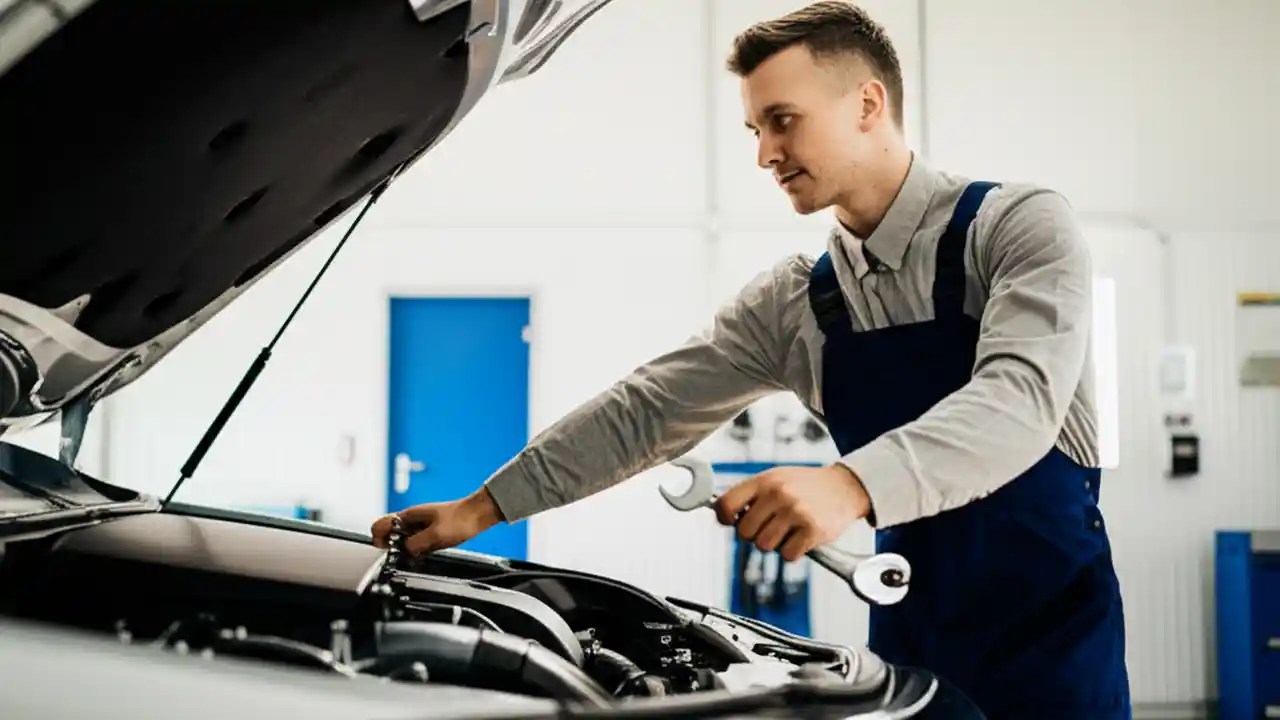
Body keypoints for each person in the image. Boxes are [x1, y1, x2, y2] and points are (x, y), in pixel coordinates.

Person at [371, 2, 1131, 717]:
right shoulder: (799, 301)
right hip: (913, 637)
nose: (766, 153)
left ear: (868, 105)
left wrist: (849, 485)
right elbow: (647, 411)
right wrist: (483, 507)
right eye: (754, 130)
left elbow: (1018, 403)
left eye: (783, 122)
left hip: (1057, 642)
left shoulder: (1017, 229)